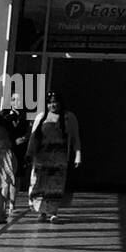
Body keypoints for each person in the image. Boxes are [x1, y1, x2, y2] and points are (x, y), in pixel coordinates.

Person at [27, 91, 82, 222]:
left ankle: (53, 211)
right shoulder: (41, 117)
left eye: (55, 102)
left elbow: (75, 138)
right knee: (40, 184)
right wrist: (30, 154)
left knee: (55, 185)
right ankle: (41, 211)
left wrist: (77, 155)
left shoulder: (69, 117)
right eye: (50, 103)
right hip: (42, 158)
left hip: (59, 158)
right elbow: (33, 138)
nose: (53, 105)